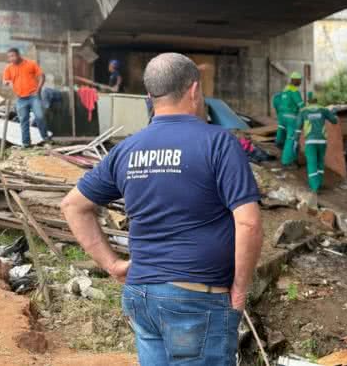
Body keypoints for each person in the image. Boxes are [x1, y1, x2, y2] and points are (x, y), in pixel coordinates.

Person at [61, 53, 263, 366]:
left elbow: (73, 205)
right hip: (195, 300)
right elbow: (248, 224)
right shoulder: (219, 143)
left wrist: (113, 265)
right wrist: (238, 291)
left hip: (142, 296)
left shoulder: (127, 148)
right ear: (194, 90)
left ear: (149, 96)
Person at [2, 48, 50, 147]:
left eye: (13, 56)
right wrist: (6, 82)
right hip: (20, 98)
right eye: (9, 57)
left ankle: (45, 138)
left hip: (33, 96)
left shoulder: (31, 63)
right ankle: (26, 143)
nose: (12, 58)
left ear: (19, 55)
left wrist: (38, 90)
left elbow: (42, 76)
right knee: (23, 120)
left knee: (40, 116)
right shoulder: (9, 68)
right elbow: (5, 80)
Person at [296, 92, 338, 193]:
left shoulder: (303, 111)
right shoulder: (324, 110)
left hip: (310, 141)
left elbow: (298, 127)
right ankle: (319, 183)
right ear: (316, 100)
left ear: (308, 100)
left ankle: (314, 187)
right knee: (320, 162)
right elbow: (334, 121)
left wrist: (295, 140)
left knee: (312, 163)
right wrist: (333, 113)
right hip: (322, 141)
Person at [275, 72, 304, 167]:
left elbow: (275, 100)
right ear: (295, 80)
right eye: (299, 80)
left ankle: (289, 153)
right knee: (291, 139)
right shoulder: (295, 91)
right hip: (291, 118)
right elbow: (301, 106)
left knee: (281, 136)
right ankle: (287, 162)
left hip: (282, 117)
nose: (300, 82)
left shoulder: (285, 89)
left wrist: (278, 113)